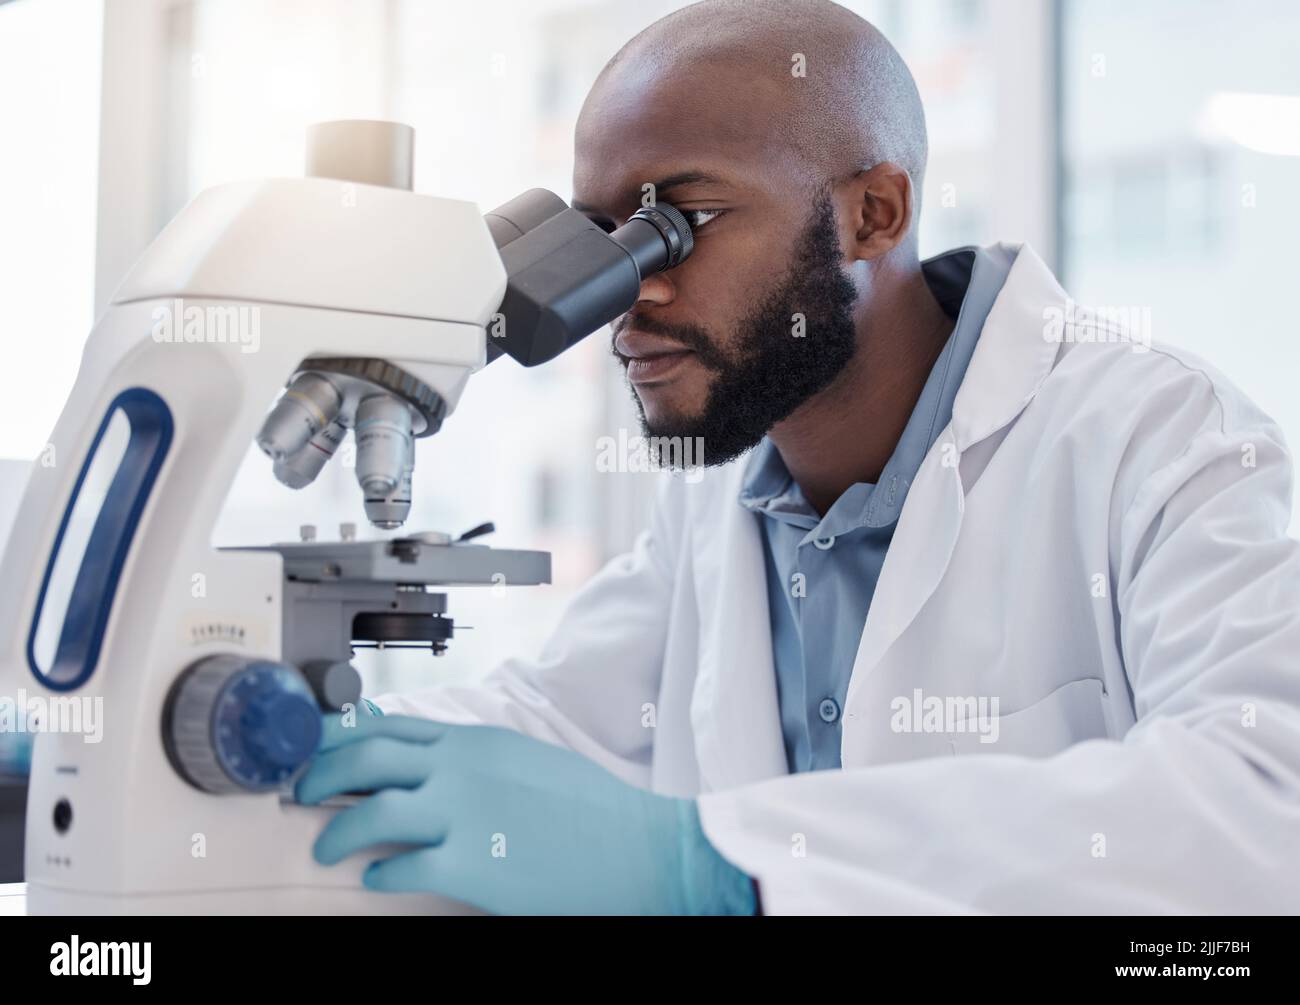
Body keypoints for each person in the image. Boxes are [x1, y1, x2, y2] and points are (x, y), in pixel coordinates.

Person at [294, 0, 1300, 914]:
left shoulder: (1162, 441)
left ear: (875, 214)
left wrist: (724, 862)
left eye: (676, 225)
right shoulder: (723, 486)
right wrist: (307, 747)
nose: (626, 293)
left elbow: (1265, 807)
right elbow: (557, 721)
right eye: (601, 240)